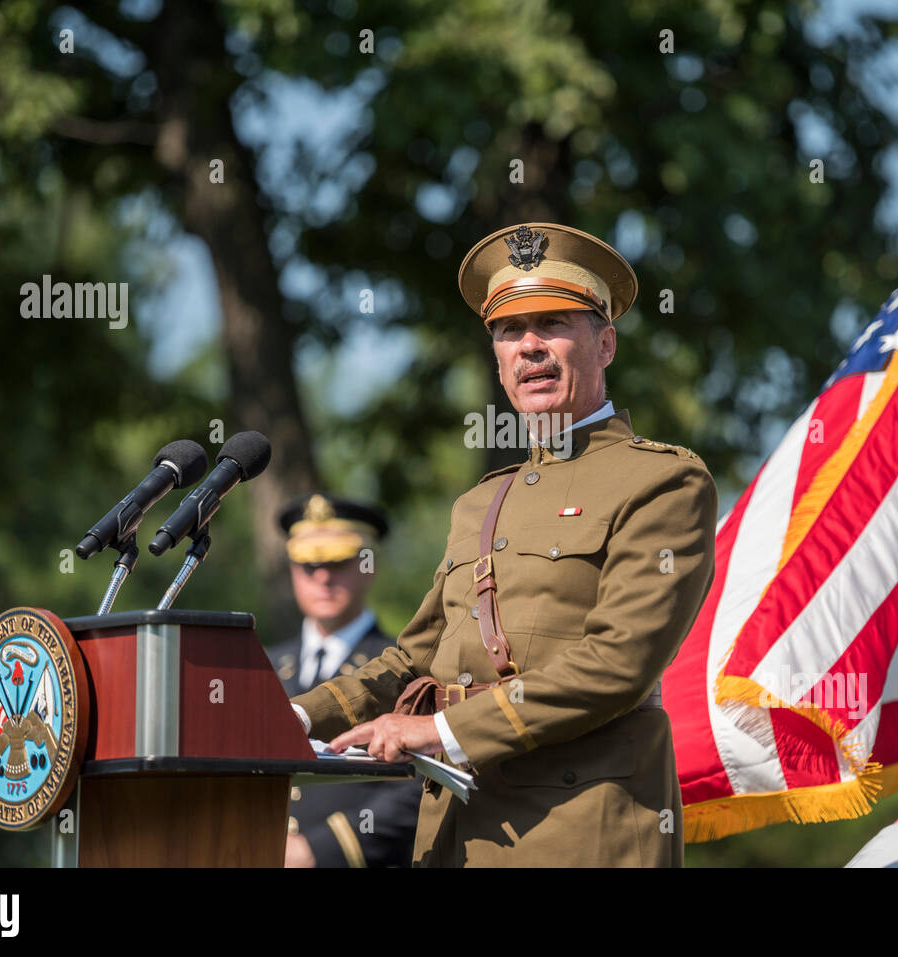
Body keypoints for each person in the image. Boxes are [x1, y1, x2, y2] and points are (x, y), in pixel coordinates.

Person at [290, 222, 717, 866]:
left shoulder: (662, 480)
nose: (529, 347)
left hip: (579, 838)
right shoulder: (481, 501)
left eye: (553, 324)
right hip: (453, 839)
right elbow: (413, 658)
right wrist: (297, 715)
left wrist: (439, 731)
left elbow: (618, 663)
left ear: (605, 344)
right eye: (510, 331)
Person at [265, 493, 420, 867]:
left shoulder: (403, 666)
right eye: (308, 563)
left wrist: (322, 850)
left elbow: (423, 780)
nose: (322, 576)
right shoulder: (262, 665)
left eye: (339, 561)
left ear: (369, 565)